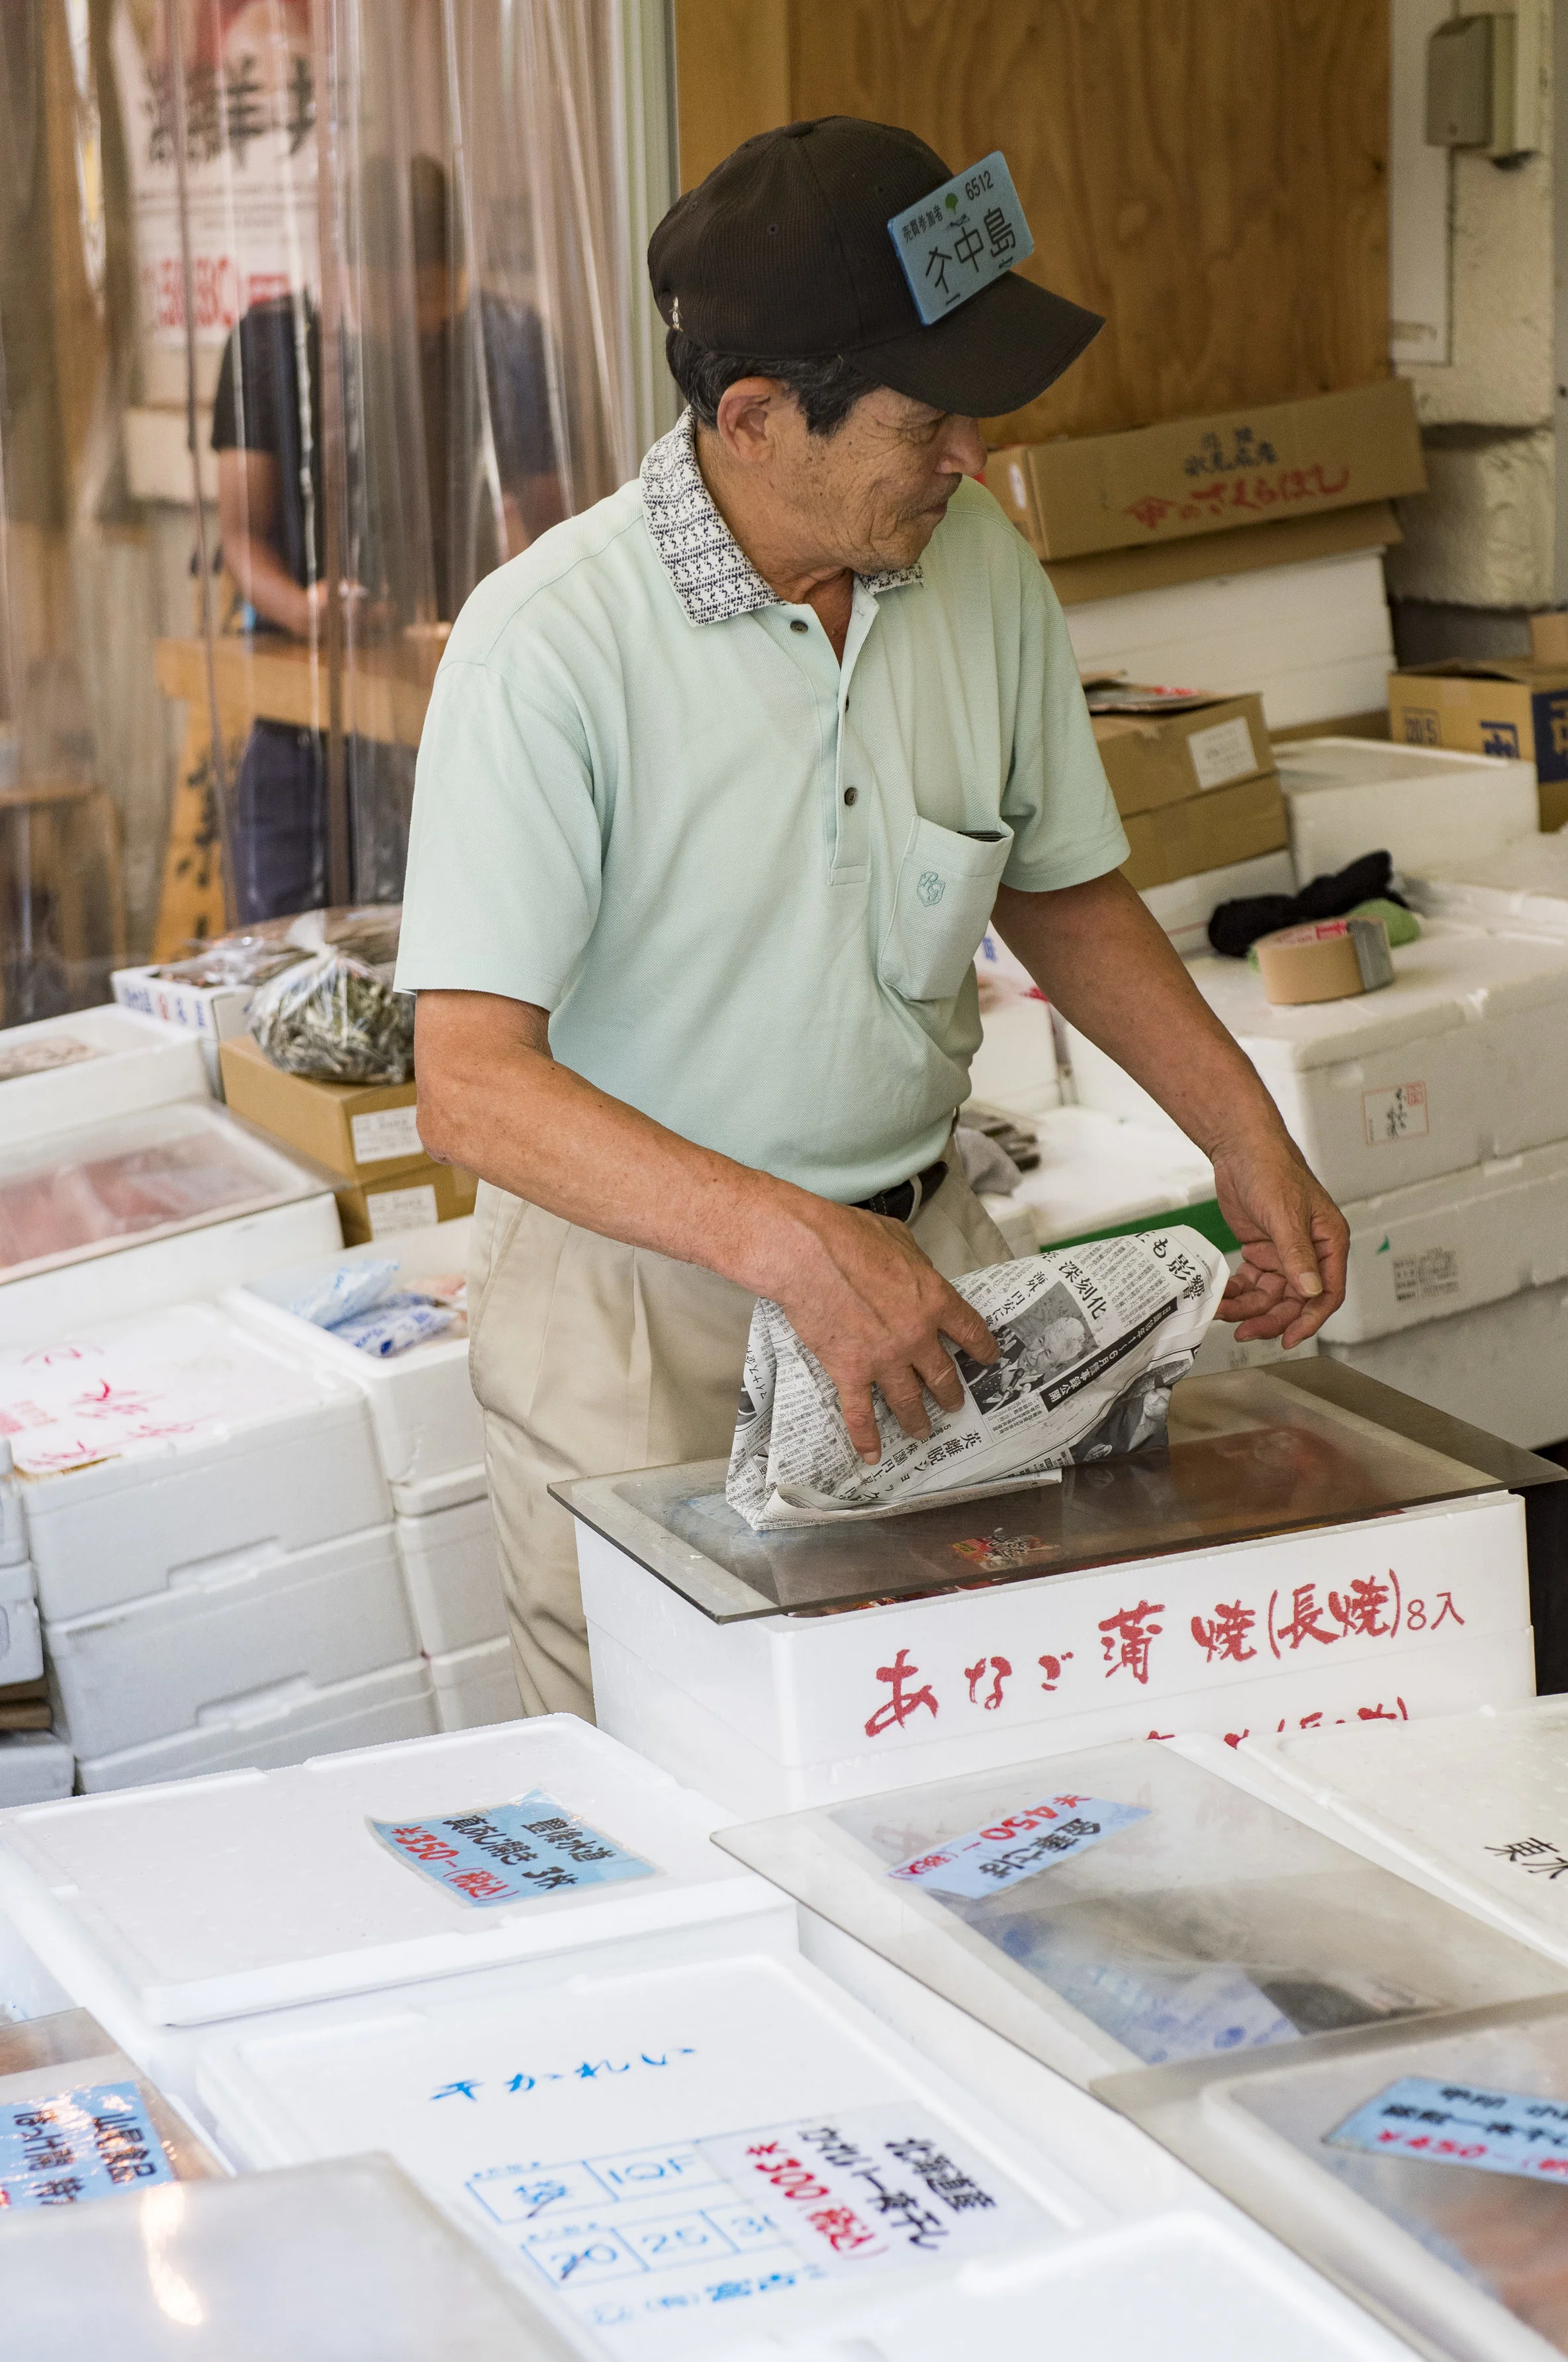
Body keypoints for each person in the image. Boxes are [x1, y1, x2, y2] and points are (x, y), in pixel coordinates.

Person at [397, 118, 1350, 1721]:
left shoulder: (980, 570)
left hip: (922, 1254)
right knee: (668, 1746)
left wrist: (1242, 1132)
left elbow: (1058, 887)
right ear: (755, 417)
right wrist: (789, 1241)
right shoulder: (547, 646)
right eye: (927, 419)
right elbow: (469, 1084)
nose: (972, 455)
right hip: (637, 1307)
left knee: (957, 1726)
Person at [212, 154, 563, 919]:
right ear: (346, 271)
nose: (414, 318)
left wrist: (521, 579)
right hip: (305, 701)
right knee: (288, 931)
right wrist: (304, 609)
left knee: (458, 924)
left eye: (433, 295)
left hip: (464, 688)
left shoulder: (505, 340)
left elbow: (556, 521)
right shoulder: (270, 344)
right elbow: (241, 535)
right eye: (390, 296)